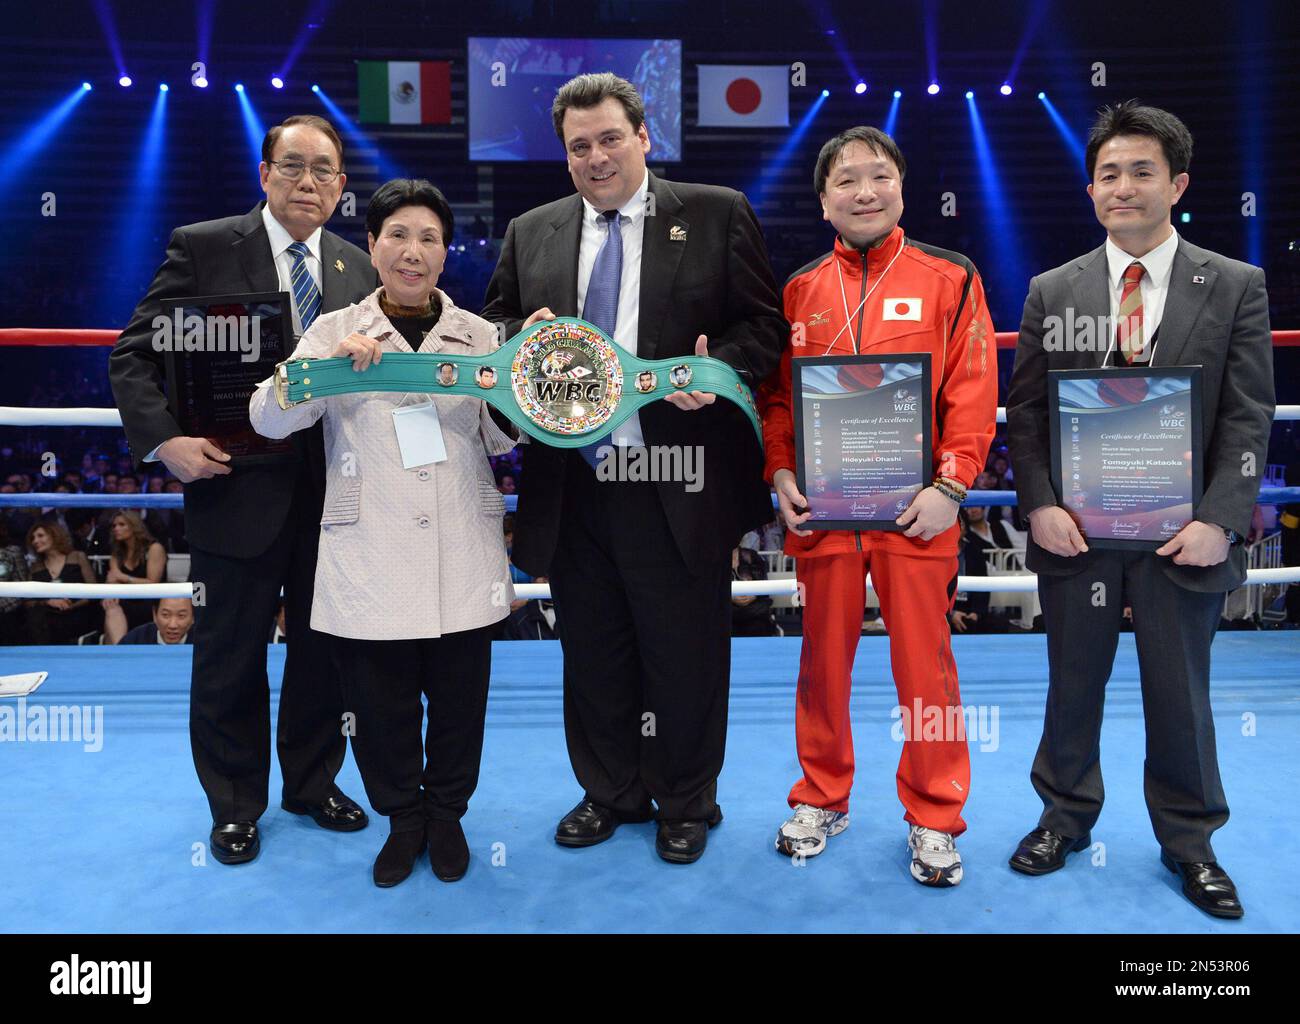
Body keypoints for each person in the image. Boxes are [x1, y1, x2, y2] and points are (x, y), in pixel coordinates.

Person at [482, 72, 785, 863]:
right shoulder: (532, 230)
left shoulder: (716, 213)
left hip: (677, 474)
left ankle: (687, 799)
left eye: (610, 138)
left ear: (644, 137)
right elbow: (496, 326)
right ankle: (609, 789)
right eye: (579, 146)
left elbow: (764, 328)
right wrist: (524, 336)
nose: (596, 156)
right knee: (593, 649)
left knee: (684, 649)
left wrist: (714, 372)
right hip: (573, 480)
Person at [1005, 101, 1274, 918]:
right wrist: (1041, 505)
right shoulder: (1054, 289)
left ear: (1177, 182)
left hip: (1181, 536)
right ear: (1092, 189)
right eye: (1109, 173)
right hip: (1078, 535)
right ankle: (1063, 818)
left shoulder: (1233, 284)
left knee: (1181, 694)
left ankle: (1191, 844)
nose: (1123, 186)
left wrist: (1221, 520)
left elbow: (1247, 414)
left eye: (1142, 171)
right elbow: (1026, 415)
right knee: (1071, 687)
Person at [109, 114, 376, 866]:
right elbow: (134, 356)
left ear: (341, 187)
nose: (307, 182)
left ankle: (312, 783)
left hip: (336, 499)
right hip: (232, 487)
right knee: (229, 655)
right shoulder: (203, 246)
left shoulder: (357, 267)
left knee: (325, 652)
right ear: (264, 174)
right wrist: (165, 441)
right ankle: (234, 804)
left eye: (324, 171)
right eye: (293, 166)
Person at [251, 178, 518, 888]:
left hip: (461, 548)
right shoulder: (334, 329)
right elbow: (267, 417)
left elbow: (499, 439)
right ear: (371, 246)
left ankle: (449, 815)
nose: (413, 251)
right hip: (370, 555)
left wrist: (518, 381)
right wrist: (327, 375)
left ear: (444, 253)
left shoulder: (480, 334)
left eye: (429, 238)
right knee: (379, 709)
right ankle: (403, 819)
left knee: (461, 704)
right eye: (398, 235)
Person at [759, 126, 996, 886]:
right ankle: (822, 794)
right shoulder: (797, 291)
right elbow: (777, 402)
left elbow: (972, 389)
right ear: (824, 199)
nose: (864, 191)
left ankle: (934, 812)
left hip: (916, 512)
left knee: (926, 669)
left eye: (879, 177)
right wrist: (781, 472)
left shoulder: (950, 275)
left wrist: (952, 485)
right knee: (821, 663)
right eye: (847, 181)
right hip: (826, 513)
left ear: (901, 187)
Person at [25, 522, 100, 644]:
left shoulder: (77, 557)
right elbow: (28, 601)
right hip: (48, 619)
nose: (35, 541)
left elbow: (93, 592)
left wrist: (72, 605)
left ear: (54, 535)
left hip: (79, 613)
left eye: (40, 535)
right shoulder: (35, 567)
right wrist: (49, 601)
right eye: (33, 538)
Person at [104, 510, 167, 633]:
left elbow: (153, 583)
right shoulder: (117, 553)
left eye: (122, 525)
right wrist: (110, 592)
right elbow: (113, 579)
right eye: (114, 526)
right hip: (124, 599)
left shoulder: (154, 549)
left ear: (134, 526)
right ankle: (119, 648)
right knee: (111, 606)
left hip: (149, 599)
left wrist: (125, 578)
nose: (116, 529)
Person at [105, 597, 195, 645]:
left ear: (193, 618)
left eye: (181, 616)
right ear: (154, 615)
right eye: (165, 615)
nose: (172, 625)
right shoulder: (136, 639)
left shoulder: (203, 642)